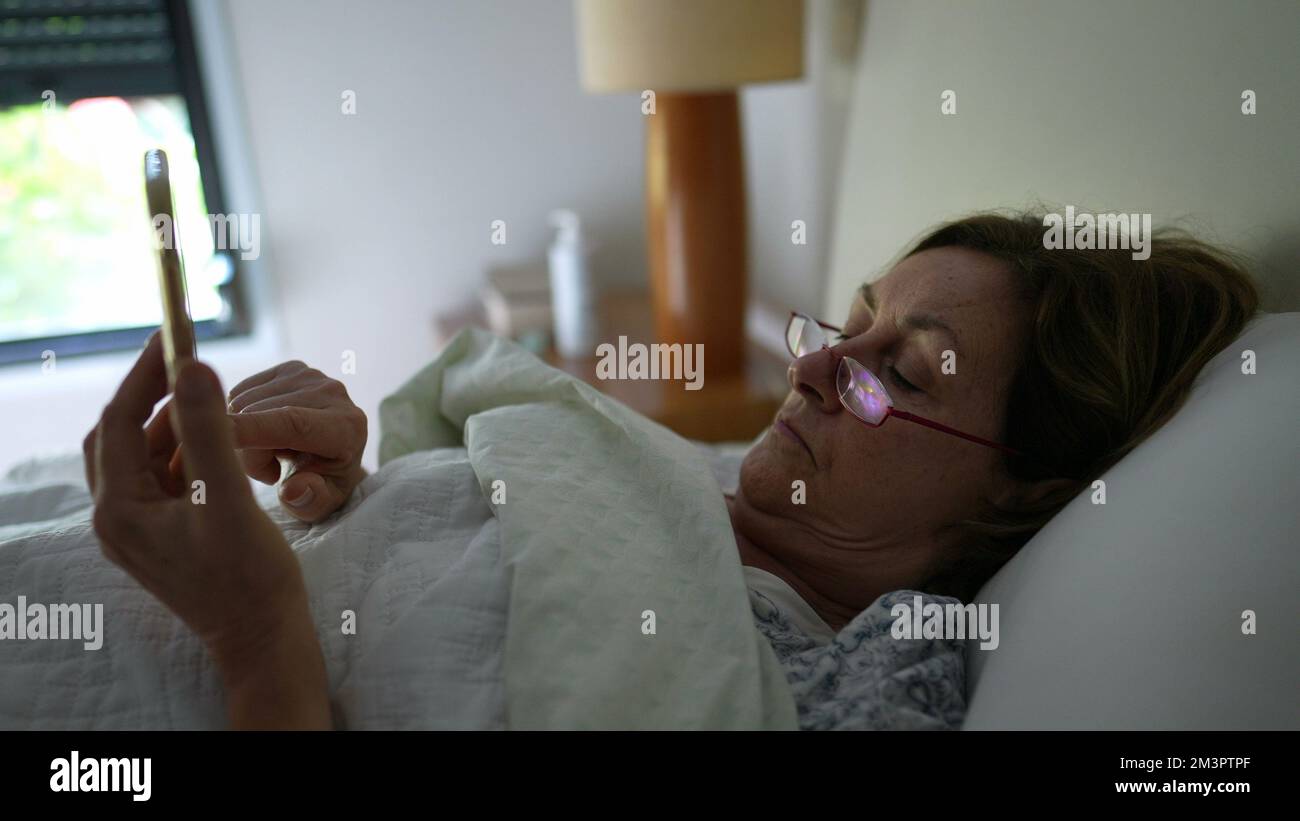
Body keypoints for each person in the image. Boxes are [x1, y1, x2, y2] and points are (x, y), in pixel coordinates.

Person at [83, 212, 1259, 729]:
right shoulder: (672, 478)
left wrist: (254, 635)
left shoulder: (868, 683)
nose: (811, 371)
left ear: (1021, 491)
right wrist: (353, 477)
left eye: (902, 375)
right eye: (845, 326)